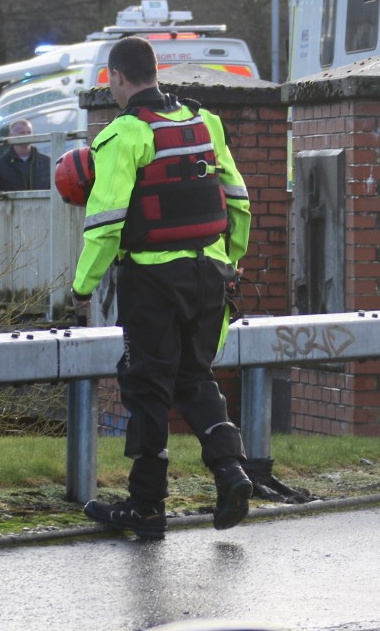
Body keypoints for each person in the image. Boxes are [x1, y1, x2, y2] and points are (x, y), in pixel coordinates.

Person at [70, 35, 253, 540]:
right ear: (156, 71)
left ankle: (146, 506)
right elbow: (238, 199)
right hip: (209, 273)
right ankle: (231, 471)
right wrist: (230, 259)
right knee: (195, 378)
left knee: (147, 385)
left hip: (153, 278)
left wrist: (82, 289)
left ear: (117, 78)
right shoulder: (205, 123)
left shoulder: (124, 135)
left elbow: (106, 224)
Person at [0, 118, 51, 192]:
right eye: (22, 133)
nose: (27, 135)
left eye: (29, 132)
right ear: (11, 135)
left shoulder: (47, 162)